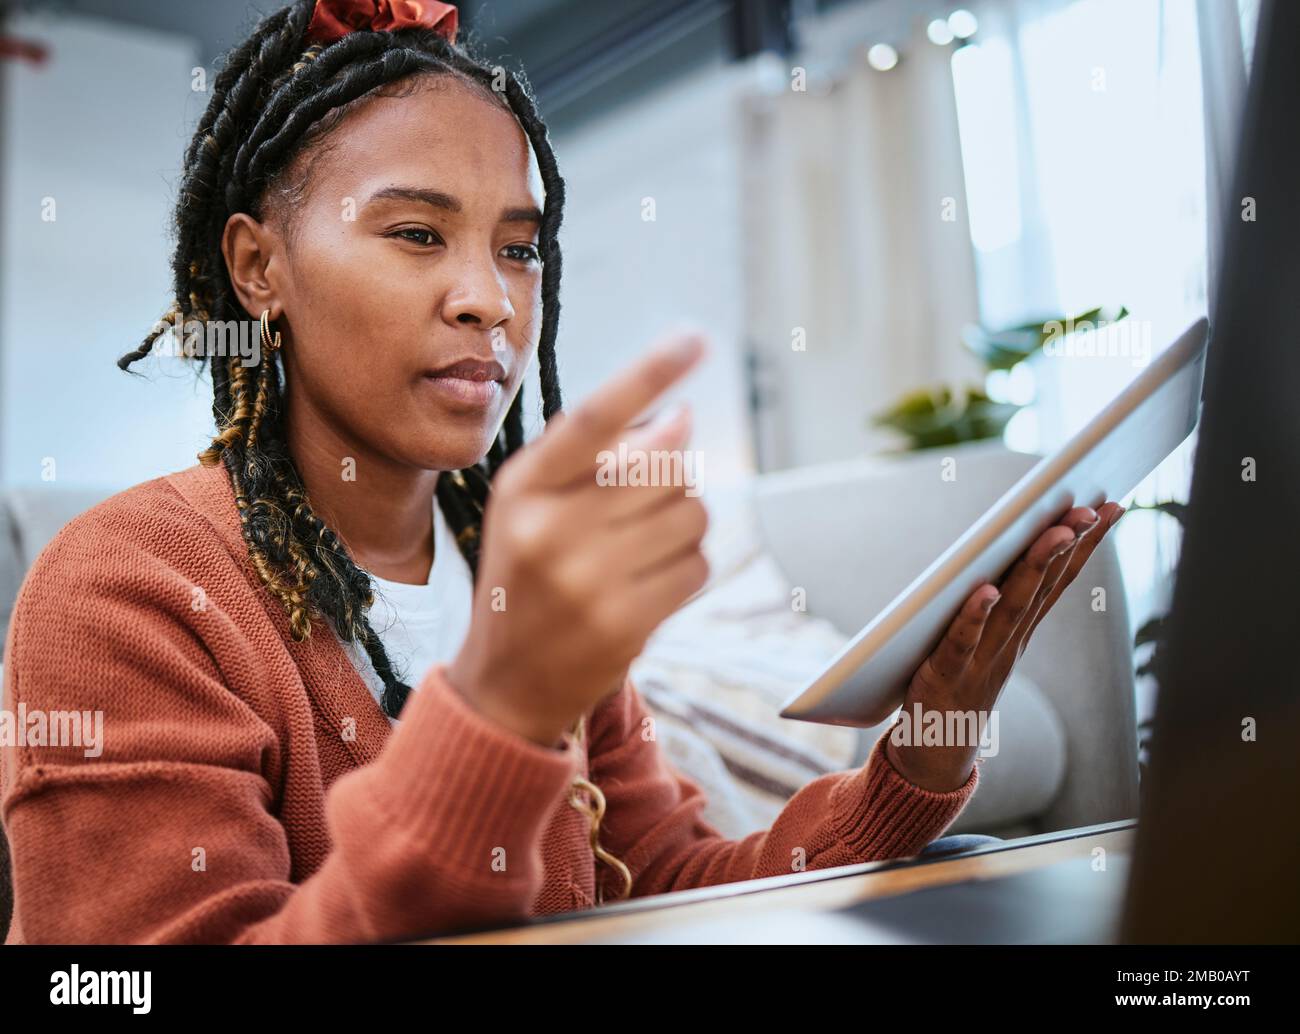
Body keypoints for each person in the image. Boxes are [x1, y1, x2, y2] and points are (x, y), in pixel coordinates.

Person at [0, 0, 1120, 944]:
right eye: (415, 233)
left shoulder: (509, 559)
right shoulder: (125, 586)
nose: (490, 298)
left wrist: (923, 746)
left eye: (520, 246)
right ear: (258, 267)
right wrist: (500, 710)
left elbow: (668, 882)